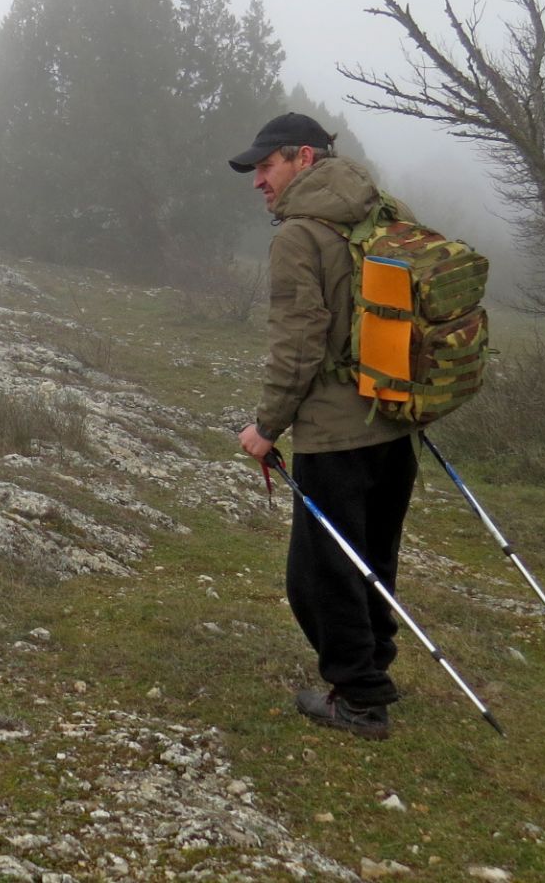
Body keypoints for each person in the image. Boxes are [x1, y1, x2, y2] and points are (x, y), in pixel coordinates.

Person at [228, 112, 418, 741]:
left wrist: (267, 425)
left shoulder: (300, 235)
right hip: (394, 421)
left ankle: (361, 698)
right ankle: (375, 669)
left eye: (266, 165)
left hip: (336, 435)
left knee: (320, 576)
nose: (259, 181)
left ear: (303, 158)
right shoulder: (383, 210)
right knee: (372, 558)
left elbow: (300, 341)